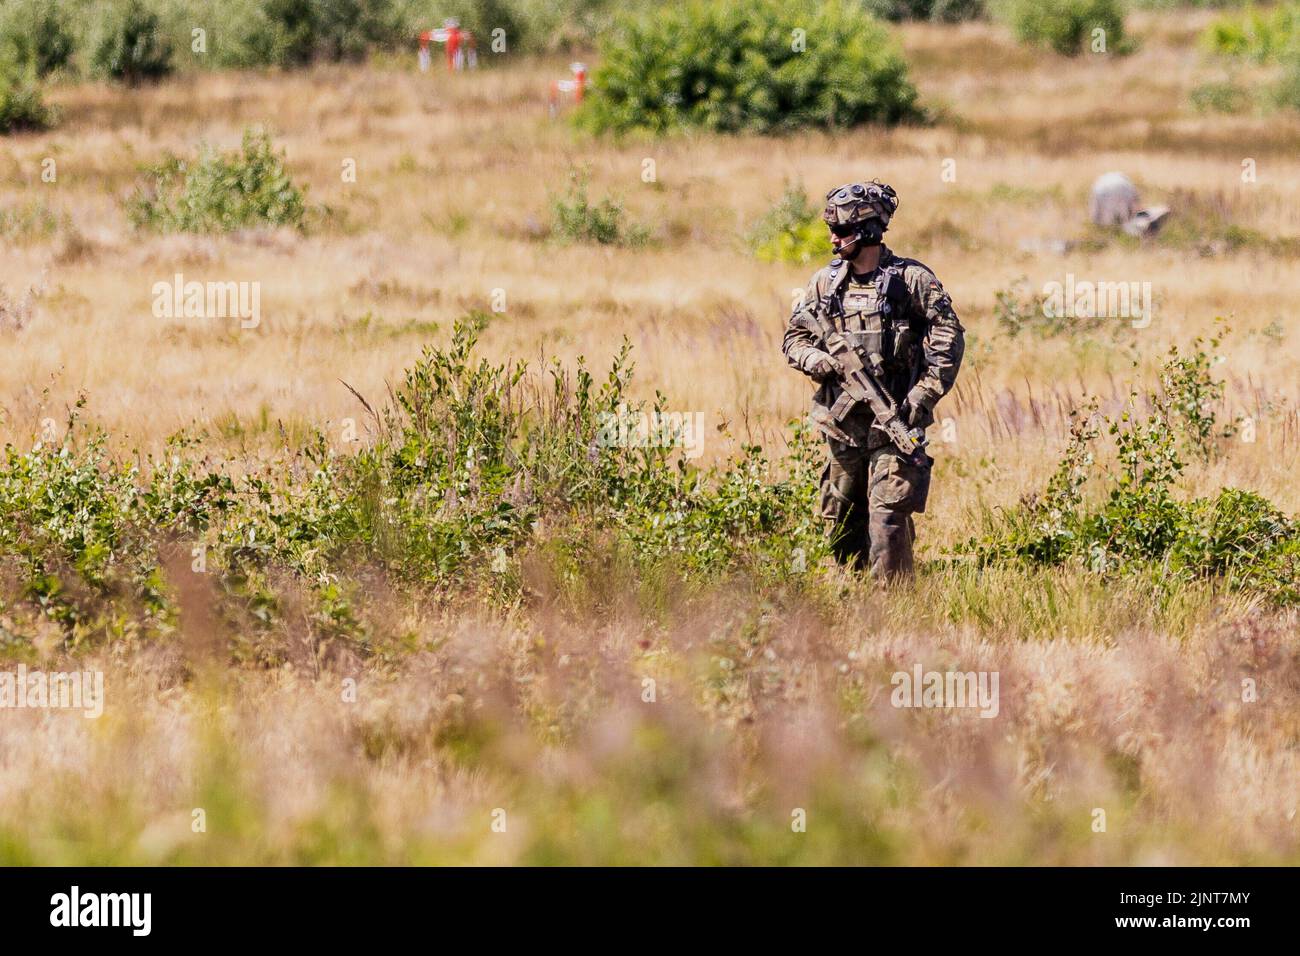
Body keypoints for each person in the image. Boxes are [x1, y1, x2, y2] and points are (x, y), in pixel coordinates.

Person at [781, 181, 965, 578]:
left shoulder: (910, 280)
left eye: (843, 231)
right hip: (843, 429)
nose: (833, 238)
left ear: (867, 231)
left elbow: (950, 337)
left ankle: (893, 611)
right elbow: (794, 337)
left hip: (895, 424)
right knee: (844, 530)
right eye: (833, 229)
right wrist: (818, 360)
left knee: (888, 524)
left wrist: (923, 395)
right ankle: (853, 603)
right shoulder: (824, 284)